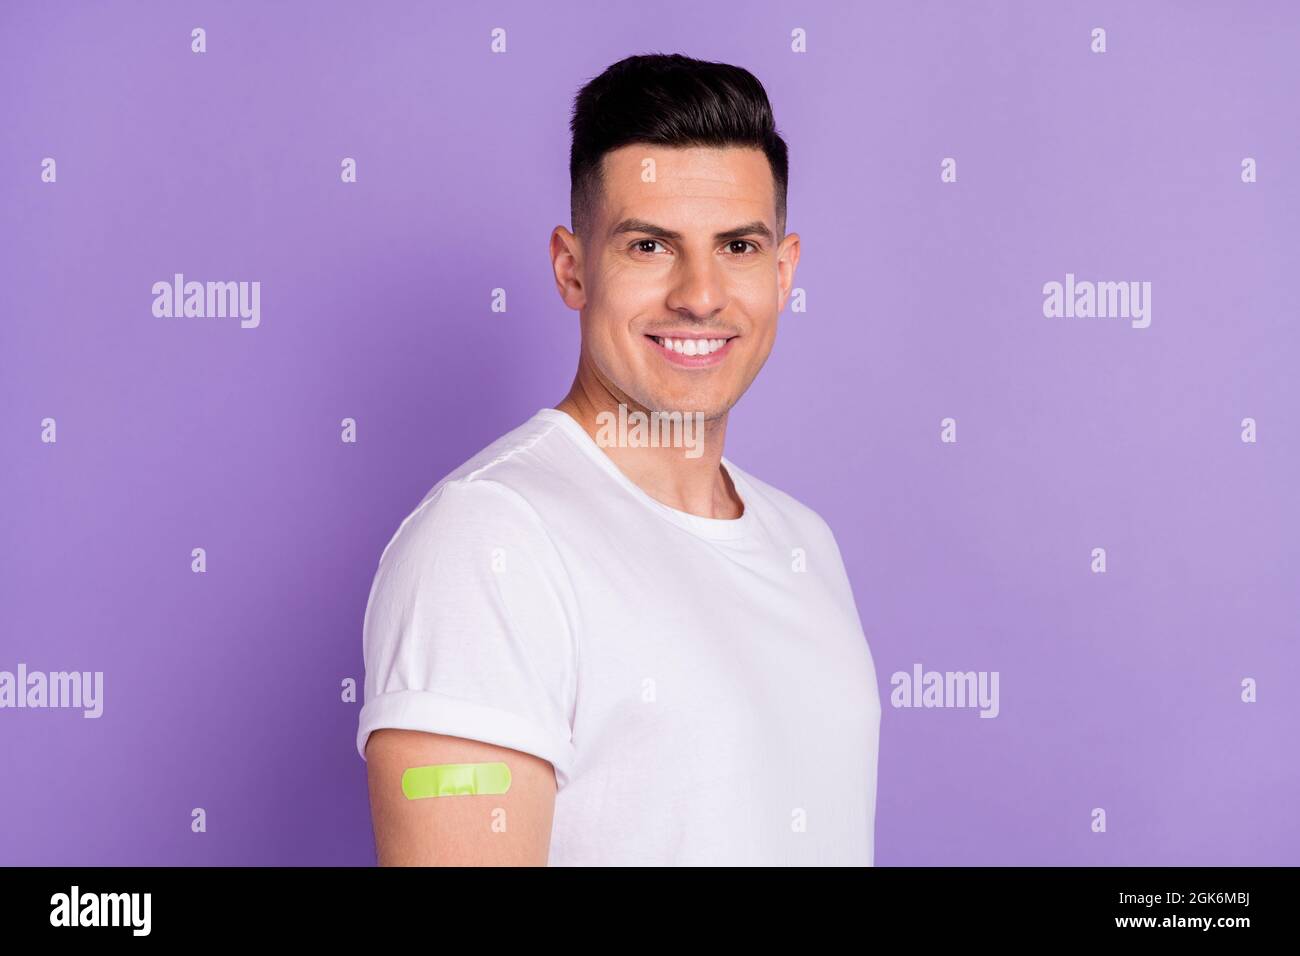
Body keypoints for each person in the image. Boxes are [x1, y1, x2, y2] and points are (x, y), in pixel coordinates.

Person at [358, 52, 881, 866]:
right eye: (649, 246)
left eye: (738, 246)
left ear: (784, 273)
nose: (701, 294)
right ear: (573, 267)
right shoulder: (491, 543)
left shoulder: (804, 542)